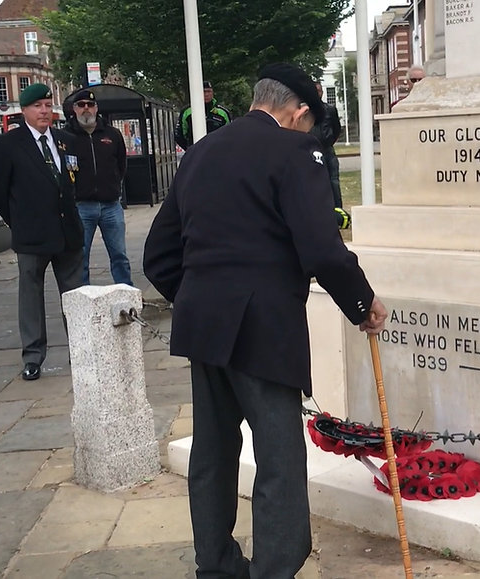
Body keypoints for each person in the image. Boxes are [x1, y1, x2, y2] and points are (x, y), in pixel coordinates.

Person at [144, 62, 388, 579]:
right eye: (308, 120)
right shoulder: (297, 152)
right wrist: (364, 305)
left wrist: (197, 299)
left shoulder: (201, 151)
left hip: (205, 328)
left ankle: (215, 565)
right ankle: (274, 570)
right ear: (299, 112)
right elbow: (323, 248)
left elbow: (158, 254)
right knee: (278, 459)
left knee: (213, 453)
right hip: (264, 329)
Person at [0, 83, 85, 381]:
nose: (44, 111)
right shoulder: (8, 144)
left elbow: (71, 181)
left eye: (47, 105)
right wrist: (19, 219)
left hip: (67, 231)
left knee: (75, 295)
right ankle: (33, 356)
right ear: (24, 111)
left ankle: (81, 351)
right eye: (37, 106)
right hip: (32, 235)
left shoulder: (65, 140)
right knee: (31, 294)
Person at [66, 88, 132, 285]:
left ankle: (126, 292)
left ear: (96, 108)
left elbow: (121, 164)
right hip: (81, 205)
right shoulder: (65, 137)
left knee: (119, 254)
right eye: (81, 105)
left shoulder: (112, 134)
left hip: (111, 205)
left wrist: (113, 186)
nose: (86, 109)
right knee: (80, 256)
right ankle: (83, 296)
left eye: (90, 104)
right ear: (74, 109)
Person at [309, 81, 351, 230]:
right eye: (315, 90)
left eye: (320, 90)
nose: (318, 93)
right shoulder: (305, 110)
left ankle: (339, 214)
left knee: (333, 181)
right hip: (310, 151)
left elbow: (336, 128)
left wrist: (329, 141)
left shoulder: (330, 109)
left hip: (327, 150)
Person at [174, 80, 232, 150]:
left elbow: (229, 134)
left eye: (209, 91)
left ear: (212, 92)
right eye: (204, 91)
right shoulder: (187, 112)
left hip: (217, 153)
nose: (206, 94)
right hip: (195, 153)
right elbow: (179, 134)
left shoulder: (223, 112)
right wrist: (189, 149)